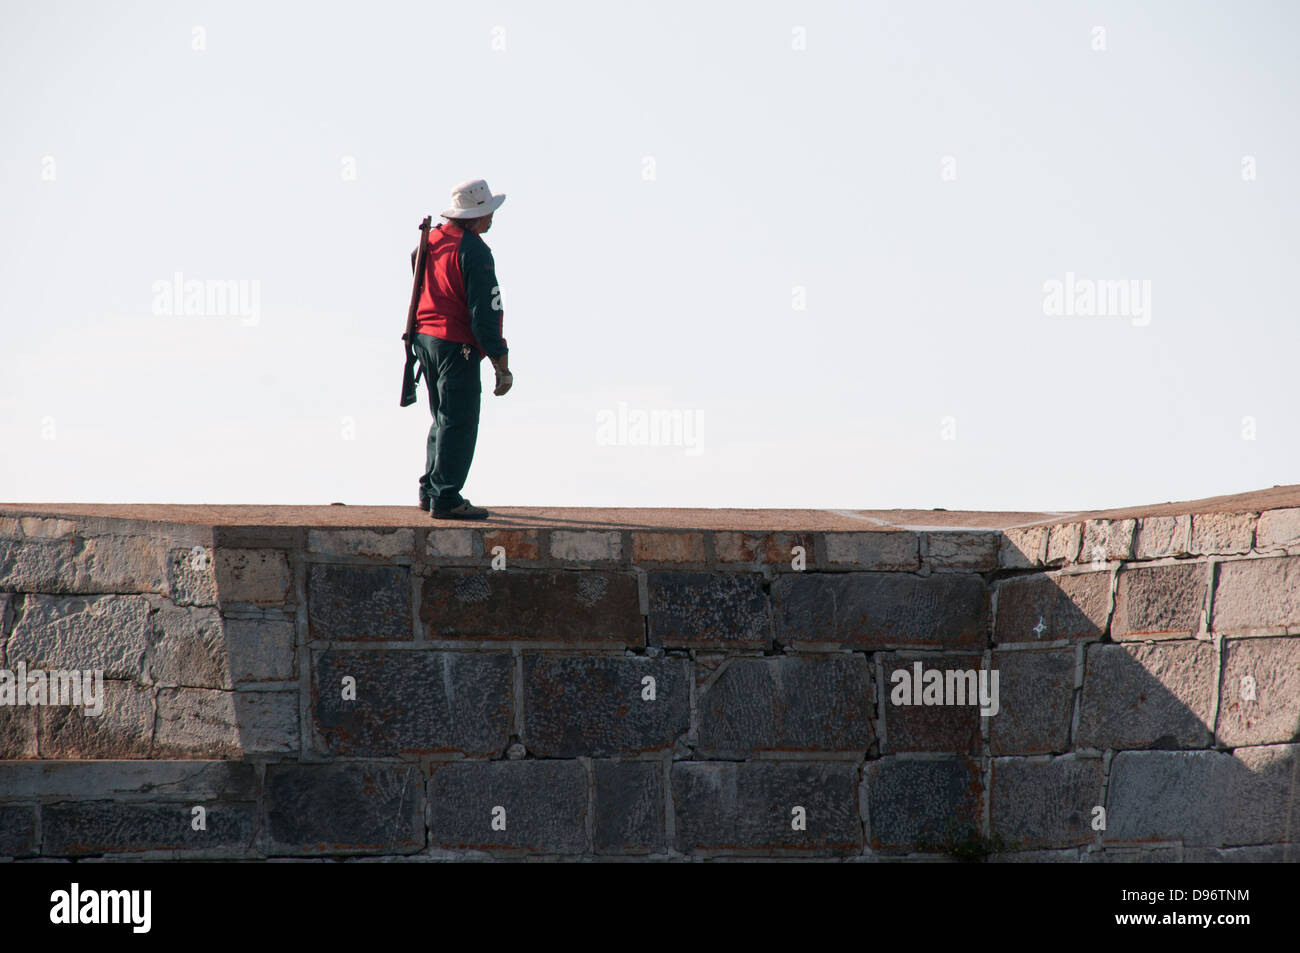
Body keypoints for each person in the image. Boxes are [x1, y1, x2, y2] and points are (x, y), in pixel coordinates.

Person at [410, 178, 513, 520]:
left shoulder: (433, 240)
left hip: (425, 338)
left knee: (442, 418)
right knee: (460, 420)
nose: (491, 219)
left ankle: (431, 490)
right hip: (456, 345)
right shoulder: (475, 250)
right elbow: (486, 311)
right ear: (476, 217)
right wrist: (500, 360)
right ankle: (446, 496)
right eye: (487, 213)